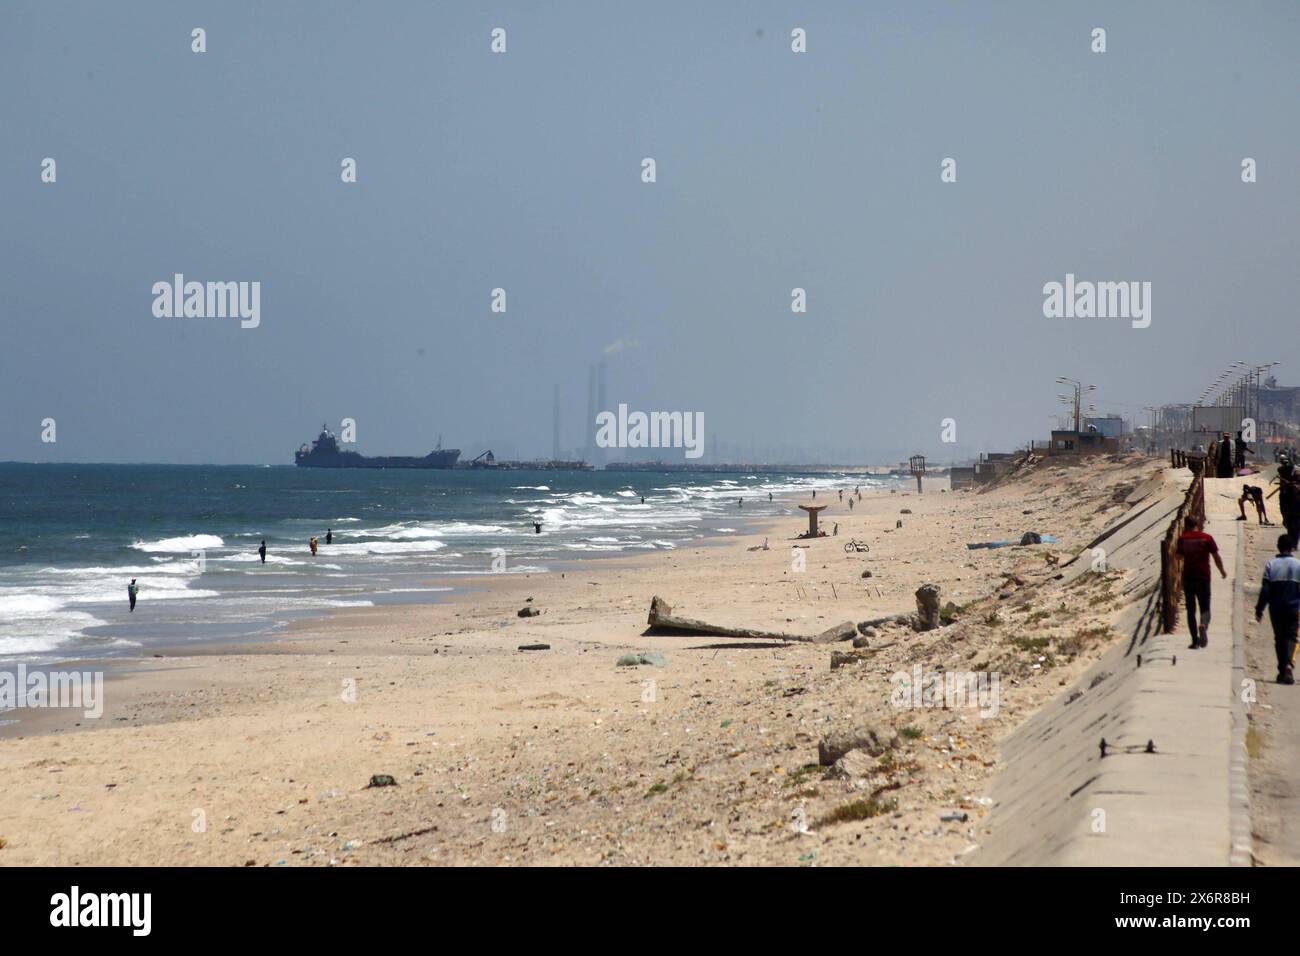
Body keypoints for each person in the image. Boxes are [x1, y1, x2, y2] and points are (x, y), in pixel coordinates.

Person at [1255, 534, 1300, 685]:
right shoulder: (1297, 565)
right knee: (1292, 637)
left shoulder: (1271, 565)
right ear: (1292, 547)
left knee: (1279, 638)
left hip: (1276, 608)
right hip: (1294, 607)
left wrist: (1259, 609)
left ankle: (1282, 669)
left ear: (1278, 547)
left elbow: (1266, 590)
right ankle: (1288, 665)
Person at [1176, 515, 1226, 648]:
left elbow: (1178, 556)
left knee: (1190, 610)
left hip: (1188, 577)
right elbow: (1216, 557)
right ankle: (1203, 624)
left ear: (1186, 525)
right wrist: (1222, 571)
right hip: (1204, 576)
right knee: (1205, 607)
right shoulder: (1207, 538)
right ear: (1197, 524)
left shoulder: (1182, 539)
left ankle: (1194, 640)